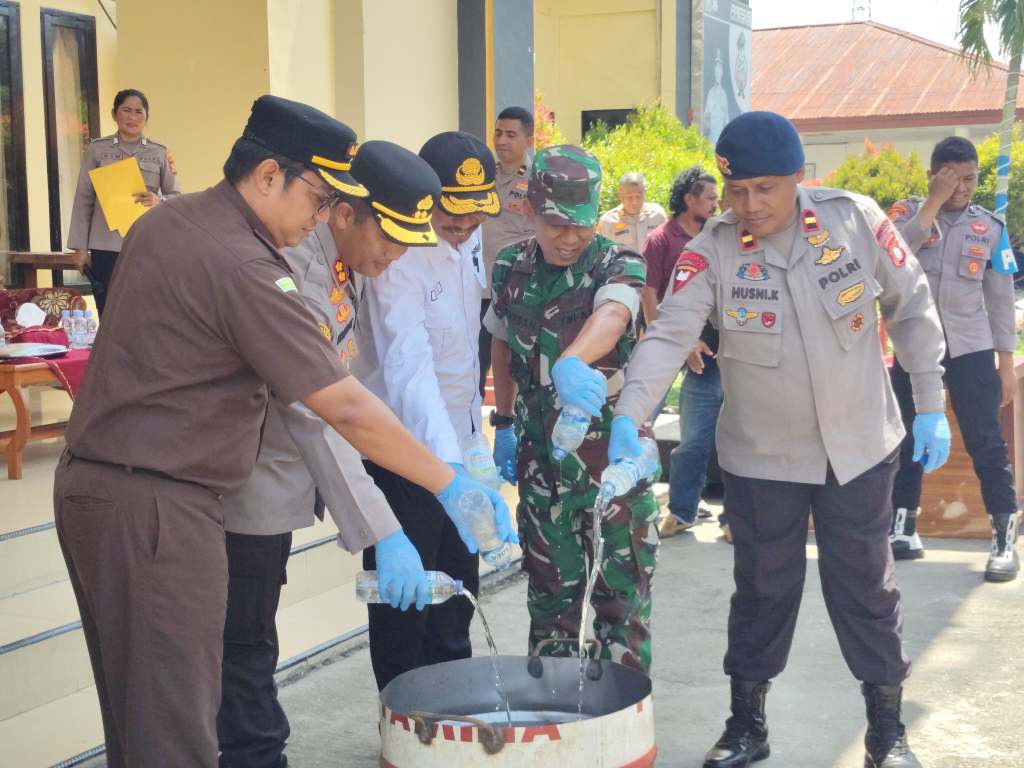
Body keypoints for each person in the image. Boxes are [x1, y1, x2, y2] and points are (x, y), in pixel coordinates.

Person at [52, 95, 511, 768]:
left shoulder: (182, 224)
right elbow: (334, 410)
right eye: (319, 199)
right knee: (181, 729)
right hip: (153, 501)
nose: (321, 217)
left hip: (139, 491)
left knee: (153, 718)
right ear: (268, 176)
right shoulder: (253, 266)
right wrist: (436, 492)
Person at [609, 112, 950, 768]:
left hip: (857, 447)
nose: (749, 206)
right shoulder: (709, 248)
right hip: (763, 455)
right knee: (762, 588)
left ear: (799, 177)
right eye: (735, 192)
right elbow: (672, 330)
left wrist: (930, 401)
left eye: (765, 189)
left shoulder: (854, 219)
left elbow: (911, 304)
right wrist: (633, 415)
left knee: (867, 588)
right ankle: (747, 726)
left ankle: (886, 731)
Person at [216, 138, 456, 768]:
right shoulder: (295, 270)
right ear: (347, 213)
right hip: (242, 484)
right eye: (391, 238)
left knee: (250, 638)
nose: (397, 256)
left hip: (278, 480)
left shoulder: (342, 265)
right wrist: (389, 526)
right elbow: (321, 411)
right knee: (242, 646)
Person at [485, 145, 659, 671]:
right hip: (543, 466)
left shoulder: (618, 260)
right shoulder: (509, 267)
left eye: (580, 225)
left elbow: (613, 313)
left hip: (615, 467)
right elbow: (500, 342)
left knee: (620, 607)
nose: (569, 238)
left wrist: (572, 360)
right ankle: (557, 728)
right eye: (556, 224)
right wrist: (504, 421)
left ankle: (619, 735)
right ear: (530, 210)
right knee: (550, 607)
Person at [354, 130, 503, 690]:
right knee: (404, 606)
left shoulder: (466, 245)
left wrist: (477, 457)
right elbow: (409, 372)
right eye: (451, 211)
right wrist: (450, 472)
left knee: (457, 596)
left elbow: (462, 369)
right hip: (402, 454)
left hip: (456, 447)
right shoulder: (399, 256)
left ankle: (452, 719)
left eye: (474, 214)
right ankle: (404, 726)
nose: (463, 225)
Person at [886, 136, 1020, 582]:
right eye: (952, 178)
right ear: (933, 175)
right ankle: (903, 528)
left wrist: (1006, 364)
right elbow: (892, 259)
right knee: (906, 438)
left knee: (987, 442)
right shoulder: (907, 214)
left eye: (970, 179)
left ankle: (1003, 534)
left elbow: (1000, 302)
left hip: (971, 348)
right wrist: (933, 202)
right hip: (914, 347)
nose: (962, 188)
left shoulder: (990, 229)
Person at [640, 167, 722, 539]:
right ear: (689, 200)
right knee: (641, 417)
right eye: (709, 198)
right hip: (670, 345)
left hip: (712, 351)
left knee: (700, 434)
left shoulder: (720, 237)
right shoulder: (661, 240)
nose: (716, 204)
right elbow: (649, 293)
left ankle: (690, 510)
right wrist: (673, 340)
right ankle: (632, 499)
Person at [67, 88, 181, 315]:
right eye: (126, 110)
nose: (132, 117)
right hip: (106, 245)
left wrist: (159, 200)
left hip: (146, 243)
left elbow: (177, 197)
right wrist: (80, 248)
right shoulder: (97, 149)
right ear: (114, 114)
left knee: (145, 308)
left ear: (147, 117)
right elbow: (84, 198)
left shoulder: (160, 153)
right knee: (108, 308)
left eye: (139, 112)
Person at [479, 106, 535, 398]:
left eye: (511, 135)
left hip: (518, 290)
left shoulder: (539, 180)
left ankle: (512, 427)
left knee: (518, 366)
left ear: (529, 140)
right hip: (480, 289)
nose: (501, 141)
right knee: (475, 365)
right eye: (498, 133)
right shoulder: (483, 175)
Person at [596, 171, 667, 253]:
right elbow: (599, 253)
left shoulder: (658, 215)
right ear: (621, 195)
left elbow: (669, 245)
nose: (635, 202)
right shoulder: (607, 222)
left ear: (645, 193)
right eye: (629, 197)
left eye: (638, 196)